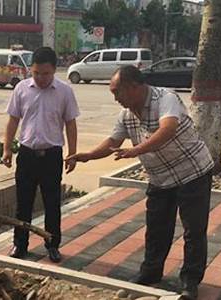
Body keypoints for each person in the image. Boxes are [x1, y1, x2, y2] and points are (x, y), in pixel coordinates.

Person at [67, 65, 213, 300]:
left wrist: (136, 150)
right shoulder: (126, 115)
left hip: (192, 172)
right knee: (156, 228)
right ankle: (151, 272)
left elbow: (167, 130)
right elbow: (112, 141)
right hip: (160, 177)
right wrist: (87, 155)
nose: (115, 98)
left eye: (117, 92)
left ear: (134, 87)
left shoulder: (166, 98)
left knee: (193, 231)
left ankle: (190, 281)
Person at [2, 47, 80, 263]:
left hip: (52, 156)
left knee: (52, 203)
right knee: (23, 203)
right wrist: (7, 148)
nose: (41, 78)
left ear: (54, 70)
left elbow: (70, 124)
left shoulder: (64, 91)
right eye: (36, 73)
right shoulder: (21, 89)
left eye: (45, 73)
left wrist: (72, 154)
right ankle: (20, 244)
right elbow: (13, 120)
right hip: (26, 155)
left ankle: (52, 245)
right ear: (31, 70)